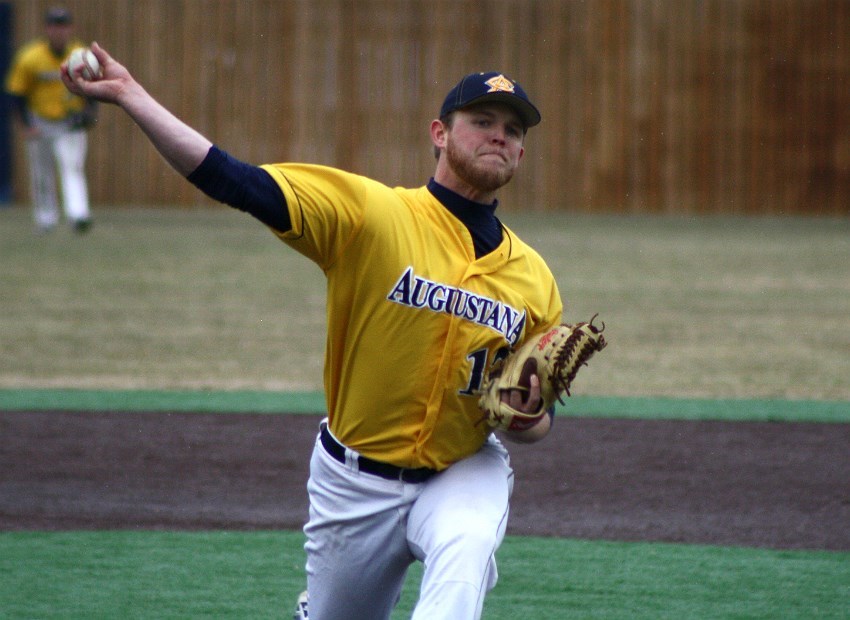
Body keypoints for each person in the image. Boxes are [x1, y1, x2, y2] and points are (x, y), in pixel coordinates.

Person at [62, 43, 563, 620]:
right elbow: (233, 180)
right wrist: (131, 96)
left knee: (466, 550)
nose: (499, 136)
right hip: (355, 482)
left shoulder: (535, 280)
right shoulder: (371, 214)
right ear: (440, 133)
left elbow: (539, 420)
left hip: (462, 470)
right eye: (482, 121)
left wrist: (528, 417)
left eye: (512, 130)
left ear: (521, 152)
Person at [5, 6, 96, 233]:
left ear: (70, 28)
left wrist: (89, 113)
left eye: (63, 26)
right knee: (41, 173)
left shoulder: (80, 55)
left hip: (70, 122)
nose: (59, 31)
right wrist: (26, 125)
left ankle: (78, 214)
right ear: (47, 29)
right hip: (40, 122)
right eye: (55, 26)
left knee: (72, 167)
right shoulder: (30, 56)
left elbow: (94, 86)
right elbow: (16, 93)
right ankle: (46, 218)